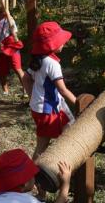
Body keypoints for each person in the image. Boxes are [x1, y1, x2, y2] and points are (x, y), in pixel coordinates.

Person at [23, 21, 77, 159]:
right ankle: (31, 177)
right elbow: (63, 90)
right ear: (52, 44)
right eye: (61, 40)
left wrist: (32, 97)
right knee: (42, 145)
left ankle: (62, 162)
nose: (63, 42)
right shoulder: (52, 64)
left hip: (43, 107)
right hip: (47, 111)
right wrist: (80, 103)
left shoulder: (39, 59)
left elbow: (26, 78)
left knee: (69, 129)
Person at [0, 5, 24, 95]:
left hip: (11, 46)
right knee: (2, 70)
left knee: (17, 67)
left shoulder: (9, 19)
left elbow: (14, 32)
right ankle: (5, 90)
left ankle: (26, 88)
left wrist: (8, 15)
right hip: (0, 47)